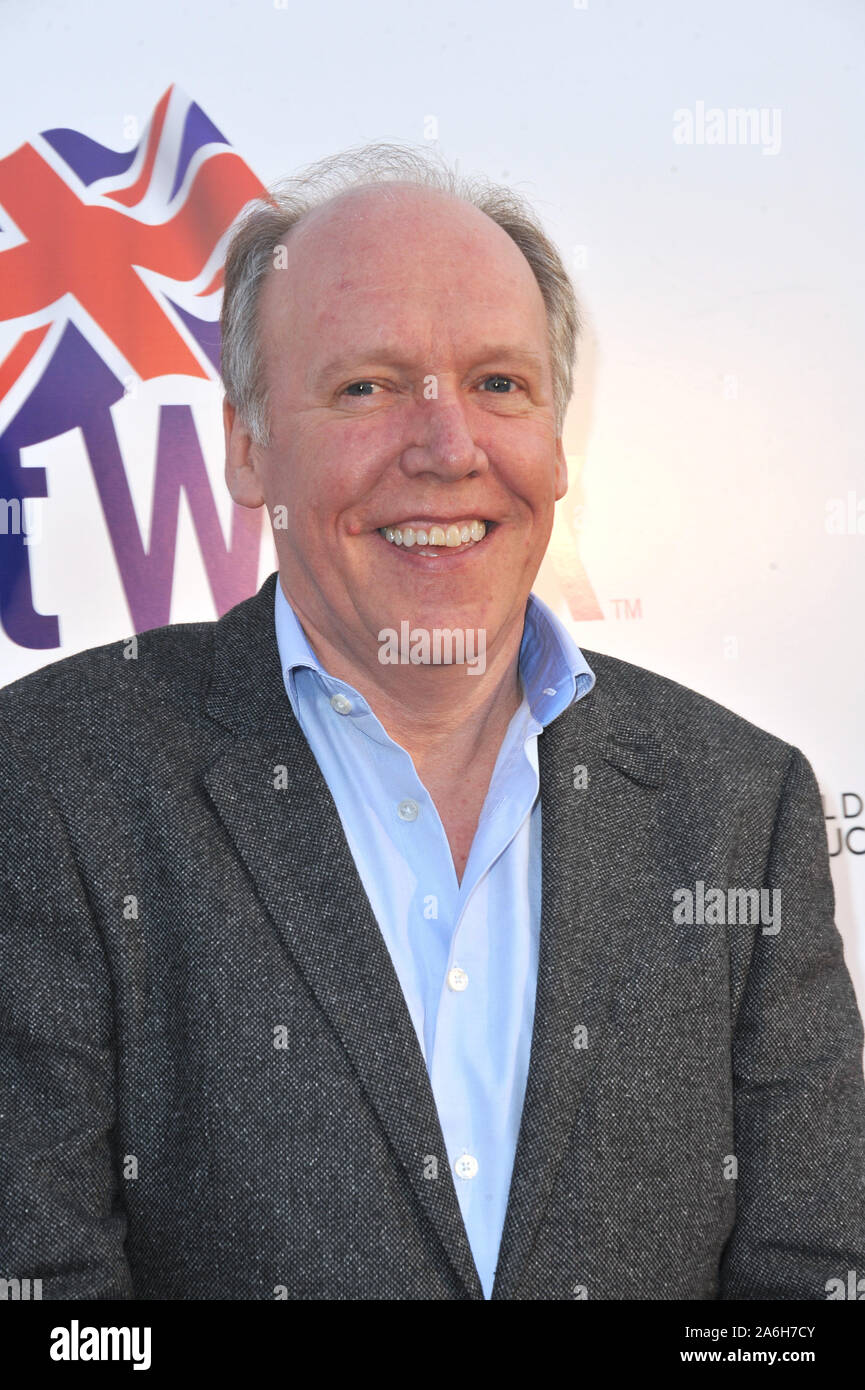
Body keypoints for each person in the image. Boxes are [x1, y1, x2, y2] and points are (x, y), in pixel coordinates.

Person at [1, 144, 863, 1301]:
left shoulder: (739, 805)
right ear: (248, 448)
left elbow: (809, 1287)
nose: (448, 447)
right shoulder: (56, 779)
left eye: (498, 385)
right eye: (366, 387)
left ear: (558, 442)